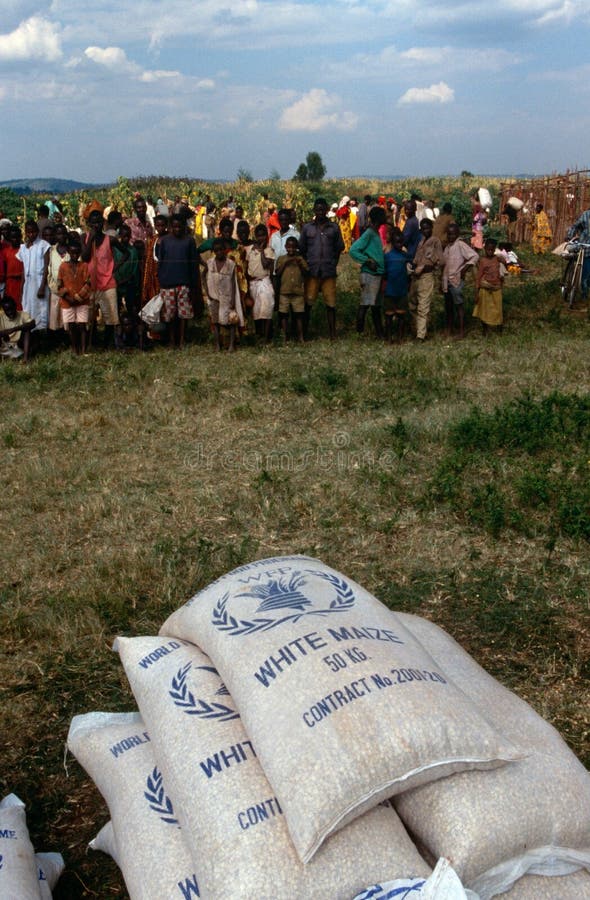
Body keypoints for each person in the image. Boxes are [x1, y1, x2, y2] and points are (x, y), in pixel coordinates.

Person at [299, 197, 345, 340]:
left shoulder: (334, 228)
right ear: (314, 210)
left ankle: (332, 335)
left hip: (328, 271)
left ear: (326, 210)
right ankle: (304, 334)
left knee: (330, 304)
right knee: (308, 303)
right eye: (317, 210)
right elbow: (302, 249)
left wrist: (333, 263)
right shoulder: (307, 228)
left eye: (322, 210)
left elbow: (339, 248)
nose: (320, 212)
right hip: (312, 271)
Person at [156, 214, 199, 348]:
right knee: (169, 315)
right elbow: (160, 260)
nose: (177, 229)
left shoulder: (189, 241)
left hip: (184, 283)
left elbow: (193, 264)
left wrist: (193, 284)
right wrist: (161, 280)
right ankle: (171, 339)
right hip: (168, 283)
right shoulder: (165, 241)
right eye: (174, 227)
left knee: (183, 314)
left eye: (179, 227)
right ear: (170, 227)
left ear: (184, 227)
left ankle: (181, 340)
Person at [82, 207, 120, 348]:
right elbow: (85, 258)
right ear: (89, 224)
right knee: (88, 318)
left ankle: (106, 344)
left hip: (108, 283)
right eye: (93, 223)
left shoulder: (110, 240)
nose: (96, 225)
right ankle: (93, 342)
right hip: (89, 284)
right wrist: (90, 239)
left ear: (103, 223)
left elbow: (126, 253)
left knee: (110, 317)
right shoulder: (84, 238)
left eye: (99, 222)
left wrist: (115, 268)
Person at [349, 205, 387, 338]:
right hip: (370, 275)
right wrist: (367, 261)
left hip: (376, 274)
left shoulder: (374, 232)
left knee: (375, 305)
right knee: (365, 304)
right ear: (378, 218)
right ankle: (359, 332)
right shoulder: (370, 233)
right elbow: (353, 250)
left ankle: (379, 333)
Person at [409, 218, 445, 342]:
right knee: (412, 305)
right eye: (423, 228)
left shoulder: (435, 242)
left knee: (423, 306)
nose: (426, 230)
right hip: (416, 277)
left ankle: (421, 335)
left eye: (428, 228)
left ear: (431, 228)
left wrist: (425, 267)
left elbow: (440, 261)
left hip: (426, 277)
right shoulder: (421, 241)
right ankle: (417, 329)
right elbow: (416, 259)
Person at [442, 223, 480, 339]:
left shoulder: (460, 244)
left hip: (456, 280)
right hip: (447, 281)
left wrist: (464, 269)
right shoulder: (447, 247)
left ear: (457, 234)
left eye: (453, 234)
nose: (450, 236)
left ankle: (462, 330)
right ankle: (449, 328)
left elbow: (474, 256)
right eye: (449, 234)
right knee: (448, 305)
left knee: (459, 305)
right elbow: (444, 265)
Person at [206, 237, 243, 352]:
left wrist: (232, 299)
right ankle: (217, 344)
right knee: (215, 321)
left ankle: (232, 345)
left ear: (225, 249)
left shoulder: (230, 264)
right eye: (216, 250)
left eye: (221, 250)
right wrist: (207, 292)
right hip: (213, 296)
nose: (219, 252)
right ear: (213, 251)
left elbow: (233, 282)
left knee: (230, 321)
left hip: (227, 297)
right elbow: (203, 275)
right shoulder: (210, 263)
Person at [57, 236, 92, 354]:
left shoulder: (84, 266)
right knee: (71, 327)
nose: (75, 255)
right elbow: (59, 285)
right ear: (68, 252)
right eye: (72, 253)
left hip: (82, 301)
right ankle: (74, 348)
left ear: (80, 253)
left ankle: (83, 349)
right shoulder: (63, 266)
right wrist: (68, 298)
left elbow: (88, 283)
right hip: (67, 302)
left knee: (82, 326)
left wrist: (77, 298)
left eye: (77, 253)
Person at [17, 220, 50, 331]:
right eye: (29, 232)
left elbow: (46, 267)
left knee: (40, 309)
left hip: (39, 283)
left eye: (34, 232)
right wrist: (21, 289)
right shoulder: (23, 248)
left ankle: (41, 334)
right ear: (25, 232)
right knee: (28, 308)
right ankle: (30, 335)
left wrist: (42, 286)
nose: (31, 235)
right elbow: (23, 270)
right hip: (28, 285)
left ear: (37, 231)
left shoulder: (43, 245)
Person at [275, 236, 308, 344]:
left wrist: (299, 263)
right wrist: (285, 263)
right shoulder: (281, 259)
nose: (291, 250)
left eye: (294, 247)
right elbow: (278, 273)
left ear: (296, 248)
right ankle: (285, 337)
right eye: (289, 247)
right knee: (284, 315)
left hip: (298, 292)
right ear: (285, 247)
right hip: (284, 291)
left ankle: (300, 337)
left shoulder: (300, 259)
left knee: (299, 315)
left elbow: (306, 272)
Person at [246, 224, 275, 343]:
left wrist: (262, 251)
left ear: (266, 236)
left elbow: (265, 264)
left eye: (263, 236)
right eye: (259, 236)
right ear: (255, 236)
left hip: (265, 281)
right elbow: (247, 265)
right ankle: (259, 335)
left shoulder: (269, 250)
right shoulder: (250, 249)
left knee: (266, 309)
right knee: (256, 310)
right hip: (253, 282)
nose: (261, 238)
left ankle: (267, 336)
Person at [473, 238, 505, 334]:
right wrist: (476, 291)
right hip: (486, 288)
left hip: (496, 288)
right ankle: (485, 329)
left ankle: (499, 328)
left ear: (494, 249)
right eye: (488, 250)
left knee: (498, 309)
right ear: (485, 248)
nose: (490, 252)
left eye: (492, 250)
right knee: (484, 309)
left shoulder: (497, 259)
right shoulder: (482, 261)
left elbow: (505, 264)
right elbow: (479, 276)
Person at [383, 229, 410, 343]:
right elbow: (384, 273)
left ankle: (400, 337)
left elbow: (409, 272)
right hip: (390, 290)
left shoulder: (405, 256)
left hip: (402, 290)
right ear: (392, 243)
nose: (399, 244)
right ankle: (389, 338)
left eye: (401, 242)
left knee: (401, 316)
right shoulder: (387, 257)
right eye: (397, 242)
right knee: (388, 316)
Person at [47, 223, 70, 336]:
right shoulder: (51, 251)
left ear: (66, 235)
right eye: (58, 234)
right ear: (55, 236)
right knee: (55, 315)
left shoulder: (71, 251)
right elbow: (49, 272)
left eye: (63, 233)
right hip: (55, 290)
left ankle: (68, 336)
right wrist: (55, 288)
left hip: (69, 291)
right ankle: (57, 337)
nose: (61, 236)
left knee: (67, 315)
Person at [0, 294, 35, 361]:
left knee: (27, 330)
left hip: (19, 345)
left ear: (15, 306)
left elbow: (33, 324)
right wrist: (4, 333)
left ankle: (25, 359)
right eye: (7, 310)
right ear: (4, 310)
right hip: (4, 345)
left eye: (12, 309)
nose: (10, 312)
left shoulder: (23, 314)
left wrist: (14, 329)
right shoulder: (1, 316)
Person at [567, 208, 590, 299]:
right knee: (585, 273)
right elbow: (575, 226)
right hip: (585, 248)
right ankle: (583, 293)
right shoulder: (585, 215)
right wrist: (569, 236)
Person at [0, 225, 24, 309]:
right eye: (13, 237)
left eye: (17, 237)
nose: (15, 240)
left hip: (22, 283)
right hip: (10, 284)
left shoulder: (24, 250)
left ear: (20, 237)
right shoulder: (5, 252)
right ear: (9, 238)